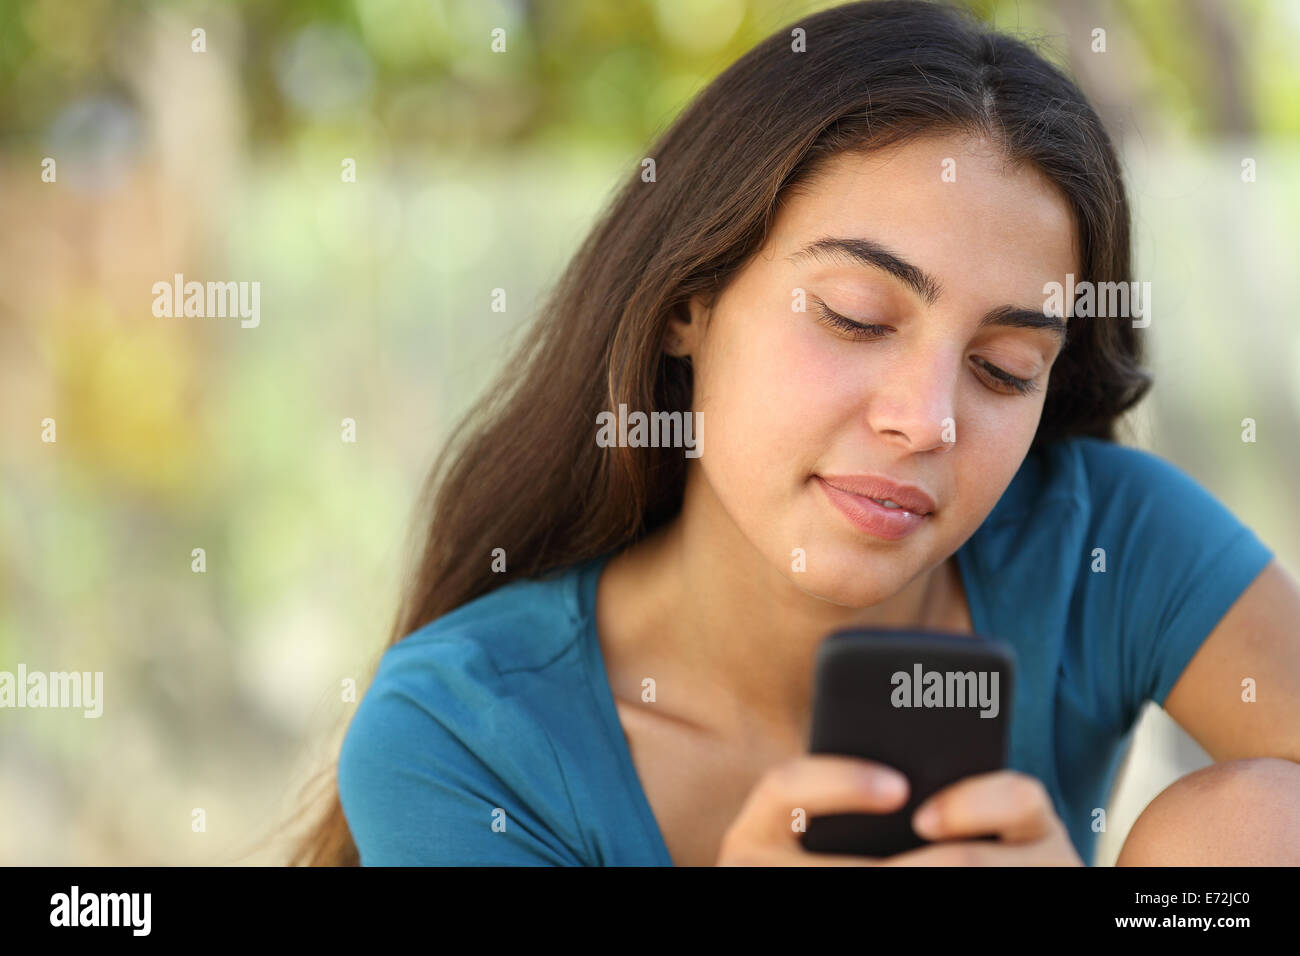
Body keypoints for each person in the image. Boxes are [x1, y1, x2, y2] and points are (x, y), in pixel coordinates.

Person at [292, 0, 1300, 866]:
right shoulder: (466, 735)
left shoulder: (1101, 539)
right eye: (855, 316)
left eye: (1003, 368)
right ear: (688, 302)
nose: (925, 419)